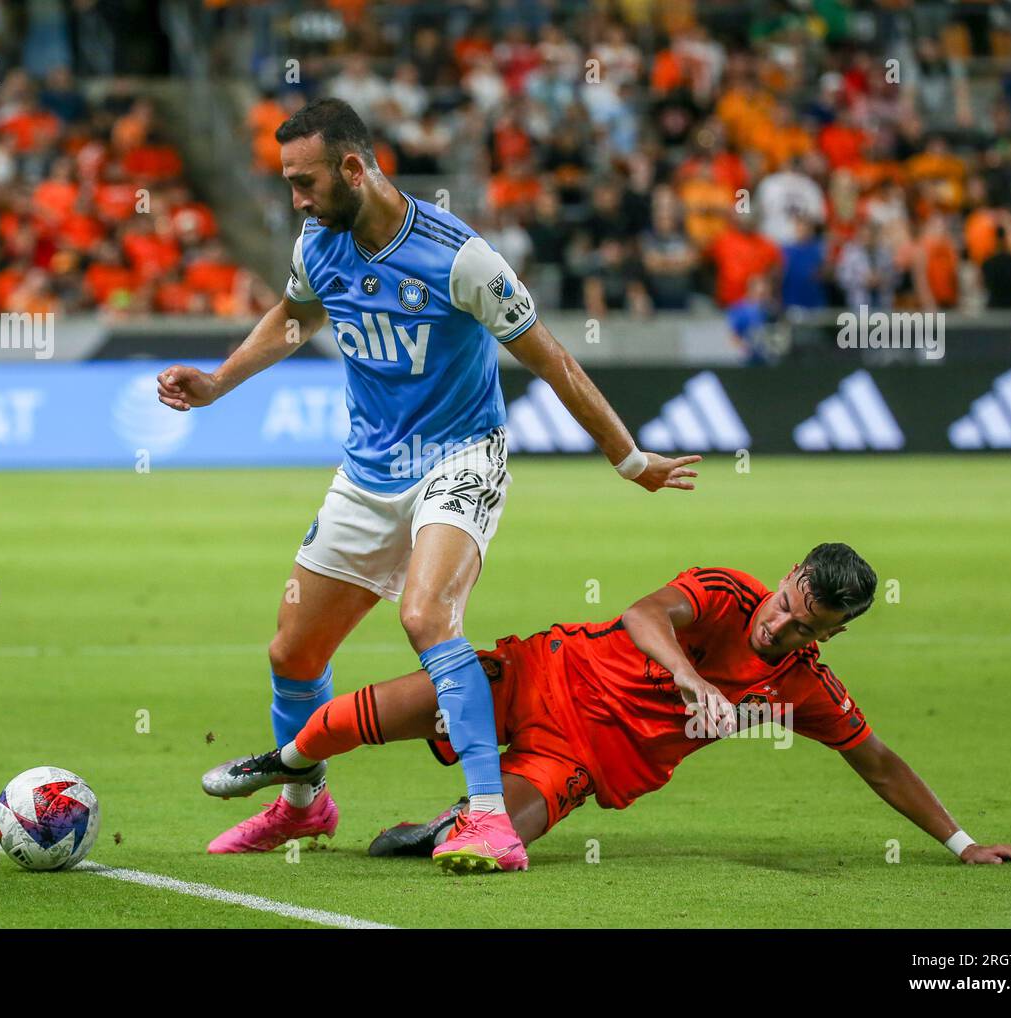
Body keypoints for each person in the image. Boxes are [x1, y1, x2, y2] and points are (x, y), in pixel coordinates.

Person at [158, 98, 701, 873]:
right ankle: (304, 807)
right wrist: (216, 384)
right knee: (292, 651)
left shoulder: (461, 258)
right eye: (289, 185)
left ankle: (490, 819)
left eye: (306, 182)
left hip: (461, 458)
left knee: (426, 615)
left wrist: (629, 459)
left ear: (355, 167)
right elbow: (293, 316)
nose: (297, 201)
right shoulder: (320, 243)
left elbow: (554, 361)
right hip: (368, 470)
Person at [207, 543, 1011, 870]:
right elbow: (646, 615)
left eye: (806, 624)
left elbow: (878, 761)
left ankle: (456, 819)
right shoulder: (722, 593)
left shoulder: (805, 689)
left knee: (499, 851)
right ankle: (285, 777)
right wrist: (692, 682)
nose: (782, 621)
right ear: (788, 577)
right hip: (538, 676)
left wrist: (965, 843)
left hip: (581, 762)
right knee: (352, 720)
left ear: (834, 630)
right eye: (788, 600)